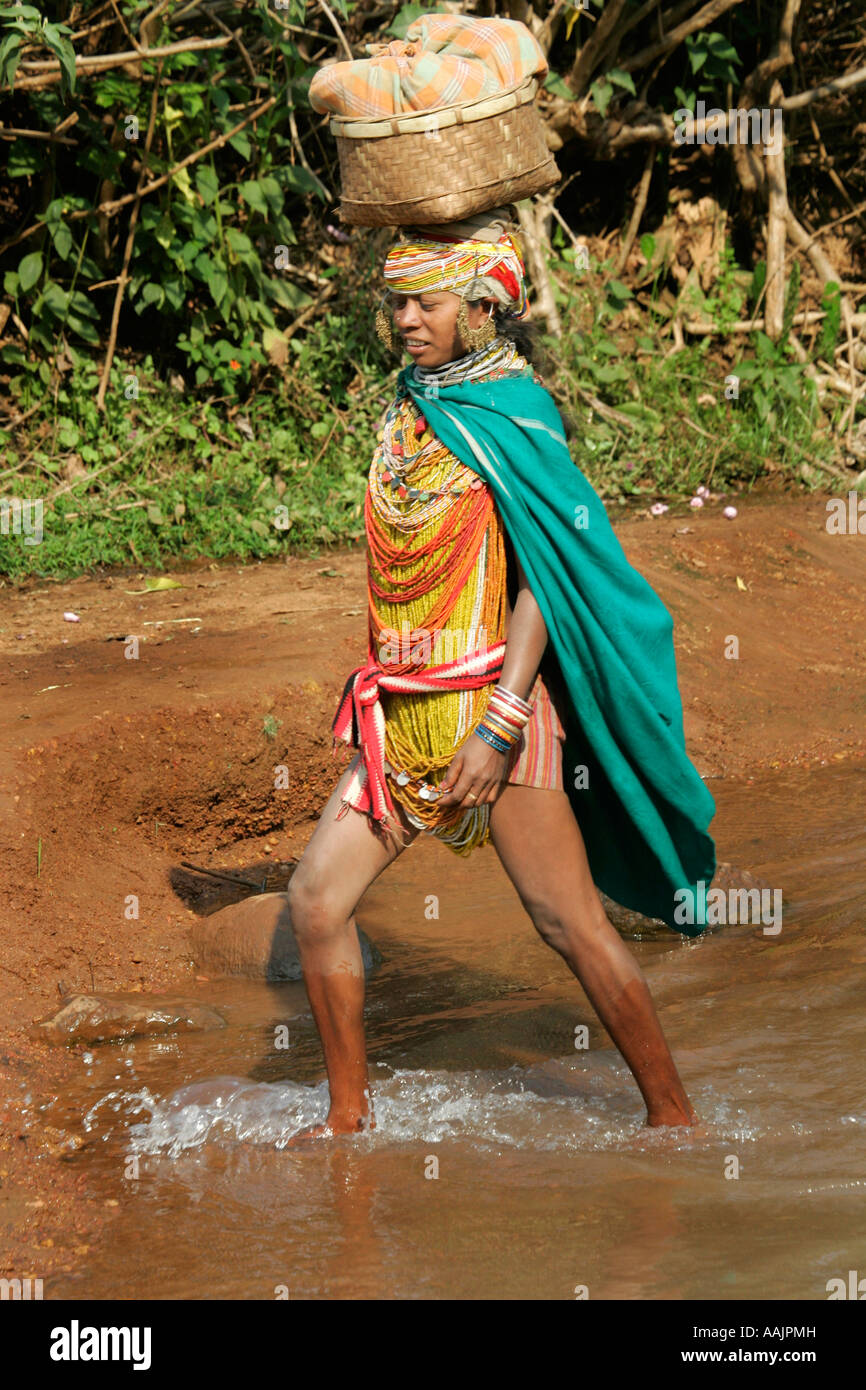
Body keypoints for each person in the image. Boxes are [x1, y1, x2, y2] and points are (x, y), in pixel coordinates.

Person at [286, 205, 716, 1143]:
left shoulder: (516, 414)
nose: (407, 319)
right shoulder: (411, 405)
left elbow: (548, 581)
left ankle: (675, 1121)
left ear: (481, 309)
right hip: (396, 715)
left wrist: (502, 721)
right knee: (317, 903)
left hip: (492, 710)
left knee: (567, 927)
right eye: (398, 302)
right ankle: (347, 1124)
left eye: (427, 303)